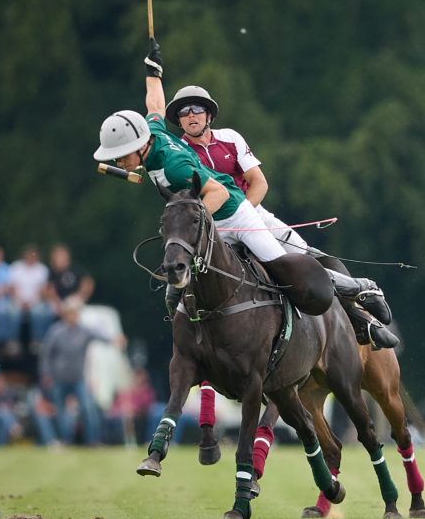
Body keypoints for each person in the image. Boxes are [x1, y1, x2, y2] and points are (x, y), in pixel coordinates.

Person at [92, 39, 388, 324]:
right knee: (174, 291)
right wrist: (153, 71)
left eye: (121, 155)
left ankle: (360, 287)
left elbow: (218, 193)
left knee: (285, 267)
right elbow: (154, 105)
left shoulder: (175, 166)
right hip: (210, 223)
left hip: (234, 213)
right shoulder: (153, 131)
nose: (118, 162)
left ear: (140, 145)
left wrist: (189, 225)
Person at [164, 84, 397, 349]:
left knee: (305, 261)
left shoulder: (230, 138)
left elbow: (259, 183)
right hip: (211, 230)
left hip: (253, 215)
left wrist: (244, 216)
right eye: (184, 112)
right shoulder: (178, 153)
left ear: (208, 116)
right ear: (179, 120)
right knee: (178, 291)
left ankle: (362, 315)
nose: (190, 115)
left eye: (197, 109)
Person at [38, 298, 125, 446]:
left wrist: (113, 339)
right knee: (61, 412)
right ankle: (65, 441)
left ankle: (93, 441)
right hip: (59, 379)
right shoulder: (56, 331)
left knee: (88, 409)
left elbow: (100, 335)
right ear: (65, 314)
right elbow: (46, 355)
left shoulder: (85, 330)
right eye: (70, 313)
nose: (72, 316)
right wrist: (46, 374)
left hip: (79, 378)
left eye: (75, 313)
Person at [4, 245, 54, 355]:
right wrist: (21, 301)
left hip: (35, 301)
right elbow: (12, 287)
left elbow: (43, 290)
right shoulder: (16, 267)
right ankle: (13, 342)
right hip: (18, 299)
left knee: (39, 312)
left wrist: (31, 302)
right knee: (13, 312)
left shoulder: (42, 269)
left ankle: (37, 341)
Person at [43, 244, 95, 316]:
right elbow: (49, 289)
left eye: (62, 256)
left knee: (72, 306)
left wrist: (80, 296)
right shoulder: (51, 271)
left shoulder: (75, 268)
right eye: (57, 256)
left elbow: (88, 283)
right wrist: (57, 302)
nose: (60, 258)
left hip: (74, 298)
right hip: (57, 300)